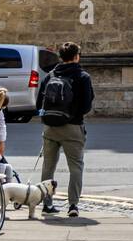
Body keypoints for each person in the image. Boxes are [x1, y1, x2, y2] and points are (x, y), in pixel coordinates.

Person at [37, 42, 94, 217]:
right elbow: (86, 106)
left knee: (48, 166)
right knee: (75, 167)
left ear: (61, 57)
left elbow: (40, 103)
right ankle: (73, 205)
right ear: (77, 56)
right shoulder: (83, 76)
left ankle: (47, 204)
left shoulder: (51, 75)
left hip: (50, 127)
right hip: (73, 127)